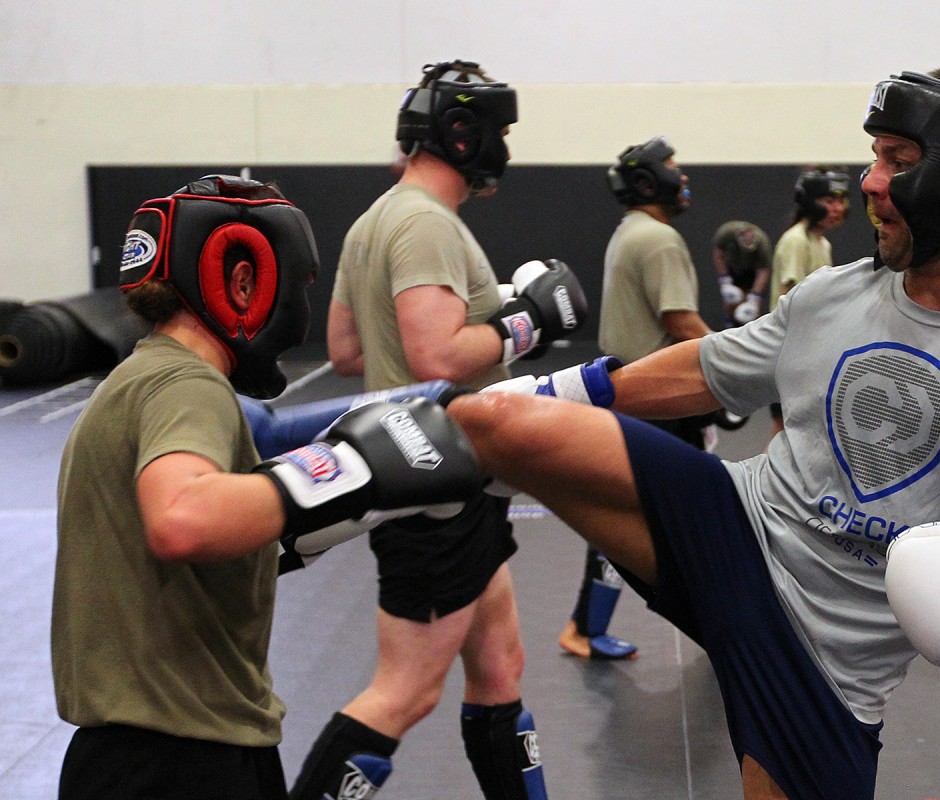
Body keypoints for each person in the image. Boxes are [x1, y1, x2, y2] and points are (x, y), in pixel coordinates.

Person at [441, 68, 940, 800]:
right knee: (490, 419)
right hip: (733, 531)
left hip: (831, 667)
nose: (871, 182)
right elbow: (711, 366)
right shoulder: (832, 294)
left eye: (899, 163)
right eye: (875, 156)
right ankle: (322, 493)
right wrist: (568, 388)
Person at [51, 175, 482, 800]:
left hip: (156, 744)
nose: (298, 311)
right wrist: (347, 470)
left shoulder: (135, 381)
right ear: (244, 281)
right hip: (178, 757)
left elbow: (182, 553)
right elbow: (183, 518)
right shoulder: (184, 386)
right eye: (295, 285)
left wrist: (344, 513)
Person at [290, 60, 585, 800]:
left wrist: (500, 323)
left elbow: (347, 352)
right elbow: (435, 355)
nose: (504, 149)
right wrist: (528, 321)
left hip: (454, 479)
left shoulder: (375, 219)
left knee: (500, 666)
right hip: (435, 487)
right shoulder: (425, 224)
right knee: (404, 692)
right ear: (464, 133)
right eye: (500, 133)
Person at [555, 137, 714, 662]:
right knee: (675, 516)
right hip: (654, 400)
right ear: (648, 182)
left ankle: (587, 624)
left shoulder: (631, 232)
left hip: (624, 392)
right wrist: (745, 366)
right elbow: (682, 323)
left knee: (638, 513)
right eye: (672, 166)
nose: (682, 175)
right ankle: (588, 625)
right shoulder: (660, 239)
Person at [767, 167, 851, 437]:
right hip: (791, 348)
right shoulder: (796, 241)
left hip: (811, 348)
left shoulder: (821, 243)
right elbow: (794, 297)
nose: (837, 207)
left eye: (840, 200)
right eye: (829, 201)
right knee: (785, 430)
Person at [711, 220, 773, 328]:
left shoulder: (763, 243)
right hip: (733, 268)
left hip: (751, 272)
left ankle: (752, 329)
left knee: (750, 310)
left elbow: (763, 270)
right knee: (731, 299)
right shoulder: (726, 233)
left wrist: (755, 296)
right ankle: (729, 326)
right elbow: (719, 255)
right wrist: (725, 280)